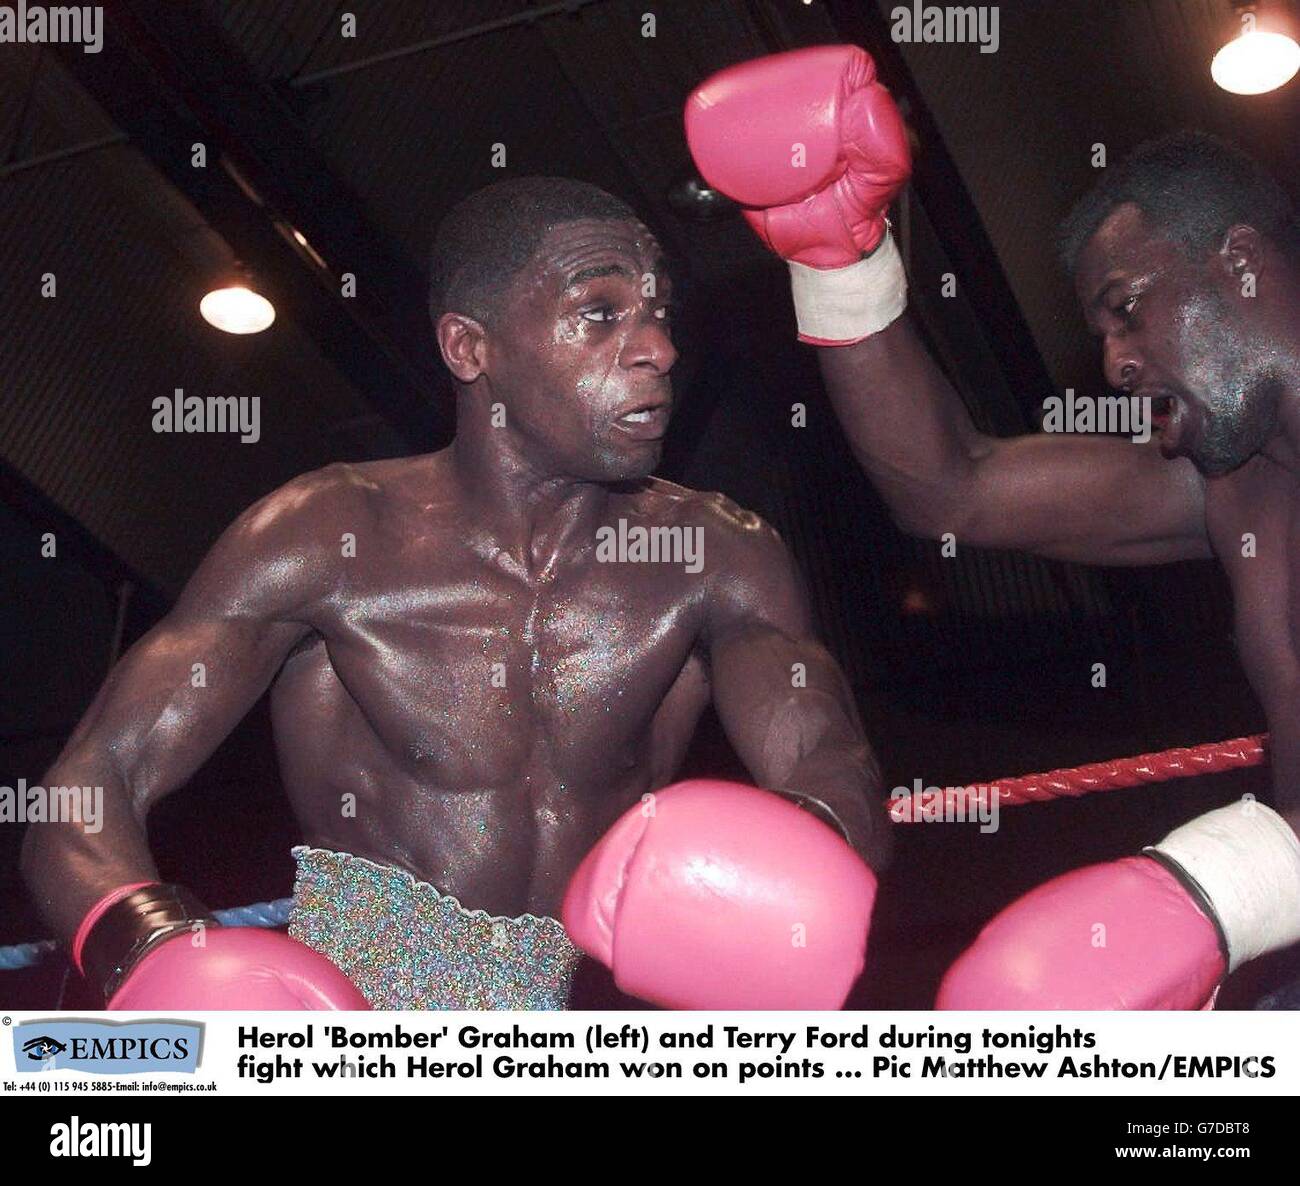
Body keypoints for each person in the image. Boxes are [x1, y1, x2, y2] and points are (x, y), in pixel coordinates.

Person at [21, 176, 891, 1011]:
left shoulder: (717, 553)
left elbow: (832, 760)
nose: (658, 347)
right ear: (470, 349)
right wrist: (147, 943)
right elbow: (92, 784)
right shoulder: (325, 533)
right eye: (600, 314)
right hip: (360, 1008)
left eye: (659, 312)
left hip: (590, 1017)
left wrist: (801, 841)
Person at [685, 44, 1300, 1007]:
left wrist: (1224, 886)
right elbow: (951, 488)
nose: (1116, 365)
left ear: (1242, 264)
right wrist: (838, 253)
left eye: (1128, 311)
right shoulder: (1237, 487)